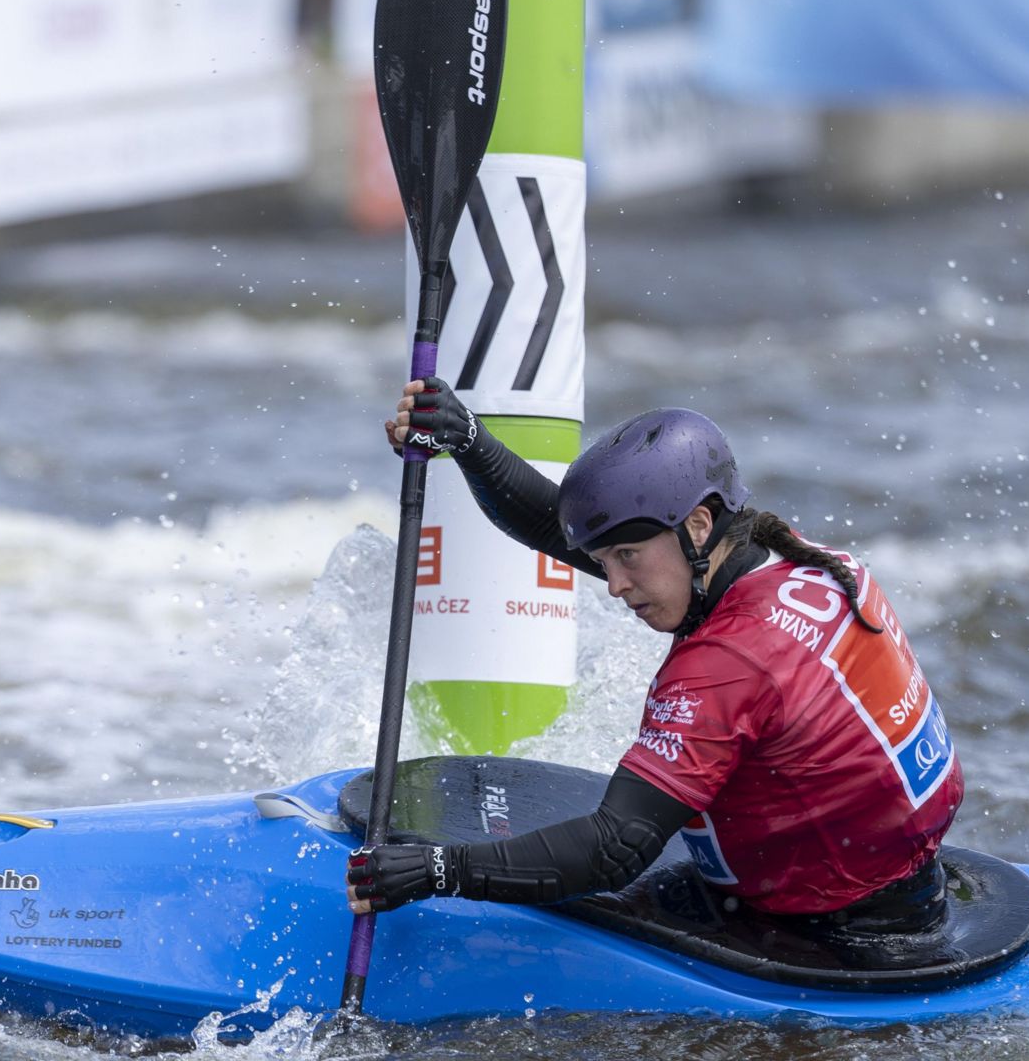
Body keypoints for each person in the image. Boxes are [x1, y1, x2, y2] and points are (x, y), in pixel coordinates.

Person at [346, 379, 962, 935]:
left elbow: (615, 851)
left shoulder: (729, 664)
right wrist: (470, 441)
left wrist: (436, 870)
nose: (611, 583)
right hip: (903, 882)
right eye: (605, 559)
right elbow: (572, 533)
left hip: (831, 927)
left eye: (627, 558)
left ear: (698, 525)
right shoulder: (802, 564)